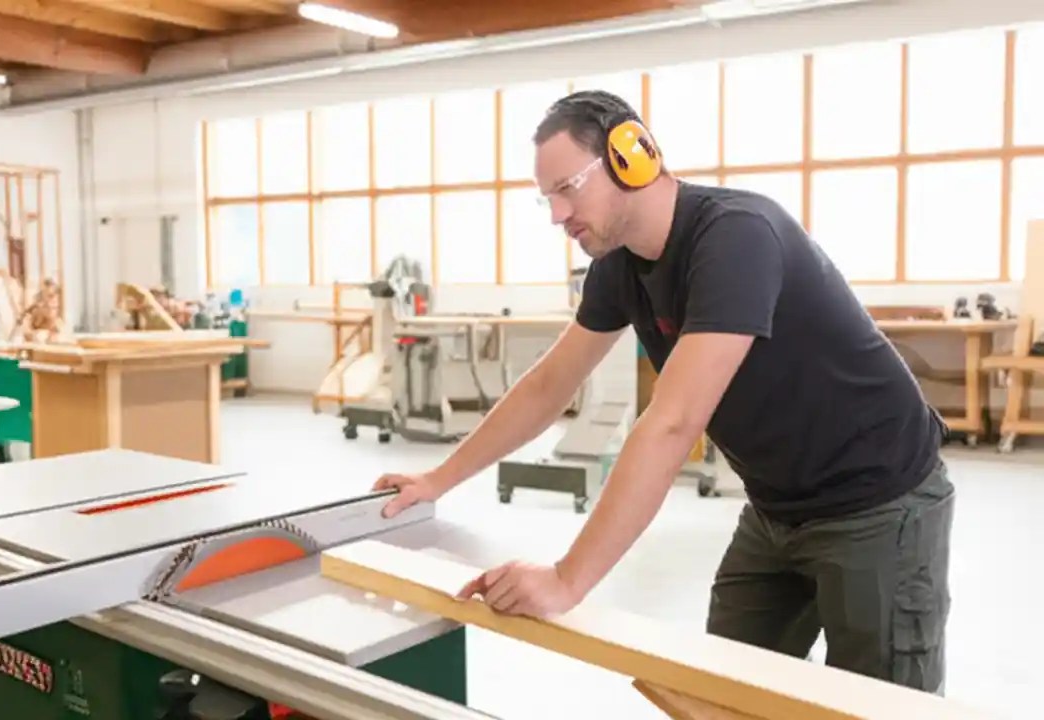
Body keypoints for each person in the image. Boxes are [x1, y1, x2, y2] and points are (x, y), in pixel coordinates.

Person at [372, 89, 954, 694]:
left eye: (568, 188)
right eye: (547, 198)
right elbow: (550, 384)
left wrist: (568, 579)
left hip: (880, 502)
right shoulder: (618, 267)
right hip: (778, 507)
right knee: (718, 694)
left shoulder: (736, 237)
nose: (556, 215)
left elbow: (672, 423)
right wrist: (437, 479)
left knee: (879, 705)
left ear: (633, 156)